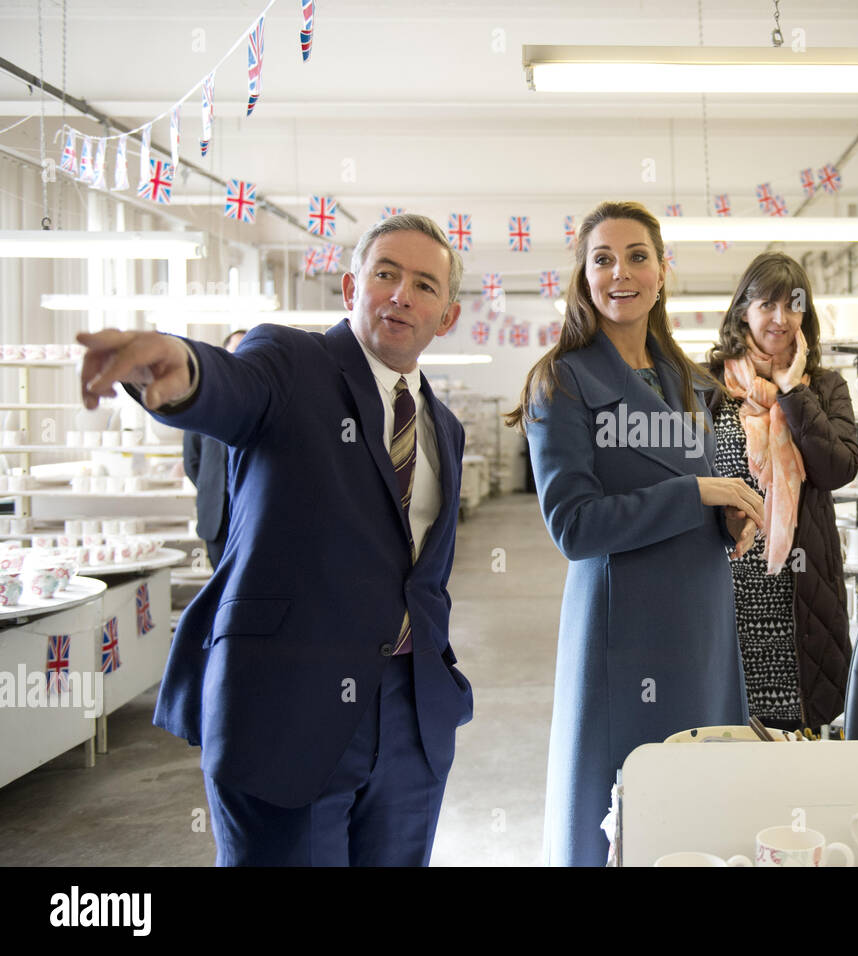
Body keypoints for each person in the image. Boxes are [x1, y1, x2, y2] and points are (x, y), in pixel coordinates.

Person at [76, 213, 473, 866]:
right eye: (386, 274)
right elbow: (232, 388)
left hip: (412, 720)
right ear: (351, 288)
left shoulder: (444, 429)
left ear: (447, 316)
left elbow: (422, 576)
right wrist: (182, 373)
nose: (402, 294)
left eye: (424, 285)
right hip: (290, 713)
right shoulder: (292, 364)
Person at [507, 200, 764, 867]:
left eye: (637, 255)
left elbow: (694, 479)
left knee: (699, 802)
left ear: (661, 270)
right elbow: (574, 526)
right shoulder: (561, 382)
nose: (621, 272)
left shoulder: (685, 381)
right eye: (602, 259)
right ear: (583, 276)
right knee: (626, 810)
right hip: (628, 631)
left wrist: (725, 512)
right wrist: (697, 493)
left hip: (701, 620)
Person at [703, 252, 858, 733]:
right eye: (766, 304)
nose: (779, 317)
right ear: (743, 311)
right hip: (725, 590)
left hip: (801, 594)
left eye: (792, 306)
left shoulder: (825, 387)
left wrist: (794, 393)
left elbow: (837, 468)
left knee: (796, 737)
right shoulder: (706, 388)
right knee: (721, 728)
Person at [182, 329, 246, 569]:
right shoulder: (204, 401)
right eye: (233, 352)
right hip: (216, 517)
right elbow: (192, 460)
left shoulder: (265, 403)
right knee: (219, 587)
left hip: (251, 516)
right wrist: (214, 489)